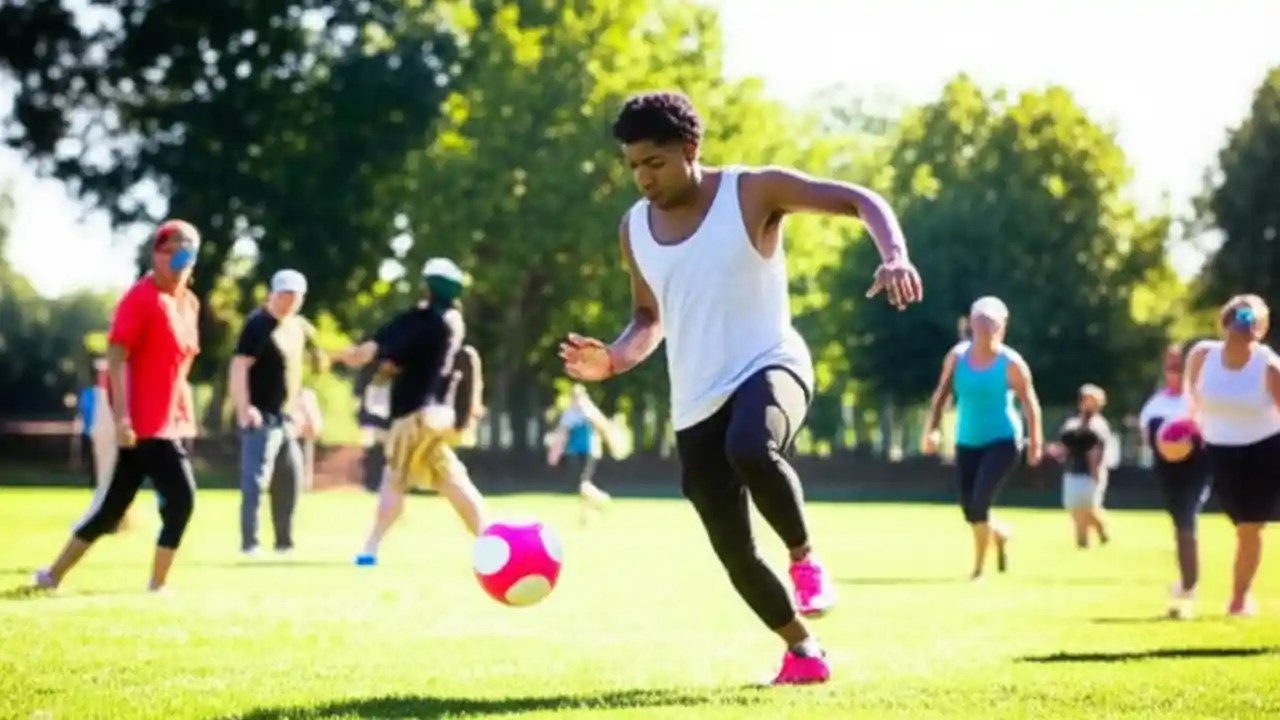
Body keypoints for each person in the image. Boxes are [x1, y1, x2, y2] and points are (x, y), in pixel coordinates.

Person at [560, 91, 923, 686]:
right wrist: (615, 359)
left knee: (751, 446)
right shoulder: (634, 228)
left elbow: (860, 199)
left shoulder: (753, 192)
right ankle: (803, 651)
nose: (643, 178)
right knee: (733, 549)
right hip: (695, 398)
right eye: (634, 166)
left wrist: (895, 255)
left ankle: (805, 560)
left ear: (690, 149)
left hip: (771, 363)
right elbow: (649, 316)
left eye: (655, 163)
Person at [33, 219, 202, 593]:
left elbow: (180, 365)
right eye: (170, 252)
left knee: (112, 509)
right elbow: (116, 358)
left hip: (167, 421)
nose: (177, 260)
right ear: (156, 255)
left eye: (185, 253)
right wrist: (123, 417)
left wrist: (183, 410)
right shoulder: (141, 298)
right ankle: (157, 585)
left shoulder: (189, 303)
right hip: (143, 424)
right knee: (182, 498)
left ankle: (51, 576)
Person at [332, 258, 488, 566]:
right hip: (435, 417)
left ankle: (369, 550)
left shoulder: (420, 321)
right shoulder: (454, 321)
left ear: (428, 287)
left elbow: (376, 357)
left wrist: (336, 355)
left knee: (394, 480)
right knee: (452, 480)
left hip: (411, 416)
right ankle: (491, 542)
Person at [923, 296, 1044, 581]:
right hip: (967, 439)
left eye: (991, 325)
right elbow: (941, 395)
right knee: (969, 510)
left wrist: (1036, 442)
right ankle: (999, 534)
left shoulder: (1011, 363)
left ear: (1001, 328)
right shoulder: (957, 357)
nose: (985, 330)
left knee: (980, 502)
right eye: (980, 324)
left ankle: (978, 570)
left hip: (1003, 439)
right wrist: (932, 430)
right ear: (972, 326)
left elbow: (1030, 403)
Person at [1184, 294, 1280, 617]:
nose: (1242, 326)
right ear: (1224, 323)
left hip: (1263, 449)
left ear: (1261, 329)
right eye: (1236, 319)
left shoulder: (1269, 366)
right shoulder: (1202, 356)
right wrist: (1185, 431)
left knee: (1250, 526)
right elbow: (1190, 401)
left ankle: (1239, 598)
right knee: (1237, 521)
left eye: (1250, 321)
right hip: (1218, 449)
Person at [229, 269, 324, 557]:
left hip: (287, 419)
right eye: (284, 295)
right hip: (261, 417)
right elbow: (239, 367)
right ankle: (250, 543)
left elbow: (302, 373)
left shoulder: (299, 327)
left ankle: (284, 543)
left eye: (294, 297)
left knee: (290, 480)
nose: (288, 302)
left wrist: (306, 408)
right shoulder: (257, 325)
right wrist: (244, 407)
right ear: (272, 294)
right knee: (255, 482)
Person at [1139, 343, 1210, 619]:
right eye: (1170, 368)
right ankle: (1187, 582)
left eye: (1179, 369)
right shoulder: (1156, 404)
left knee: (1187, 521)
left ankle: (1190, 586)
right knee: (1181, 524)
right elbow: (1148, 439)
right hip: (1167, 471)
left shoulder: (1202, 401)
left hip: (1197, 468)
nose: (1175, 374)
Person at [1048, 384, 1113, 549]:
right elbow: (1065, 445)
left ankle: (1083, 542)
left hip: (1090, 473)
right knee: (1075, 508)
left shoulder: (1100, 425)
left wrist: (1096, 472)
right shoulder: (1072, 423)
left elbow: (1098, 450)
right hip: (1072, 470)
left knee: (1087, 508)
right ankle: (1099, 531)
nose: (1087, 404)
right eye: (1085, 400)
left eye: (1091, 400)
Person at [546, 384, 614, 525]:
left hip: (590, 452)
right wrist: (555, 453)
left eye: (579, 397)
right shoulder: (569, 415)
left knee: (584, 483)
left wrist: (612, 445)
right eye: (574, 397)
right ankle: (587, 514)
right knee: (581, 485)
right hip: (574, 452)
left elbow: (603, 427)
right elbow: (562, 434)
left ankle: (602, 500)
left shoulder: (590, 412)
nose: (576, 400)